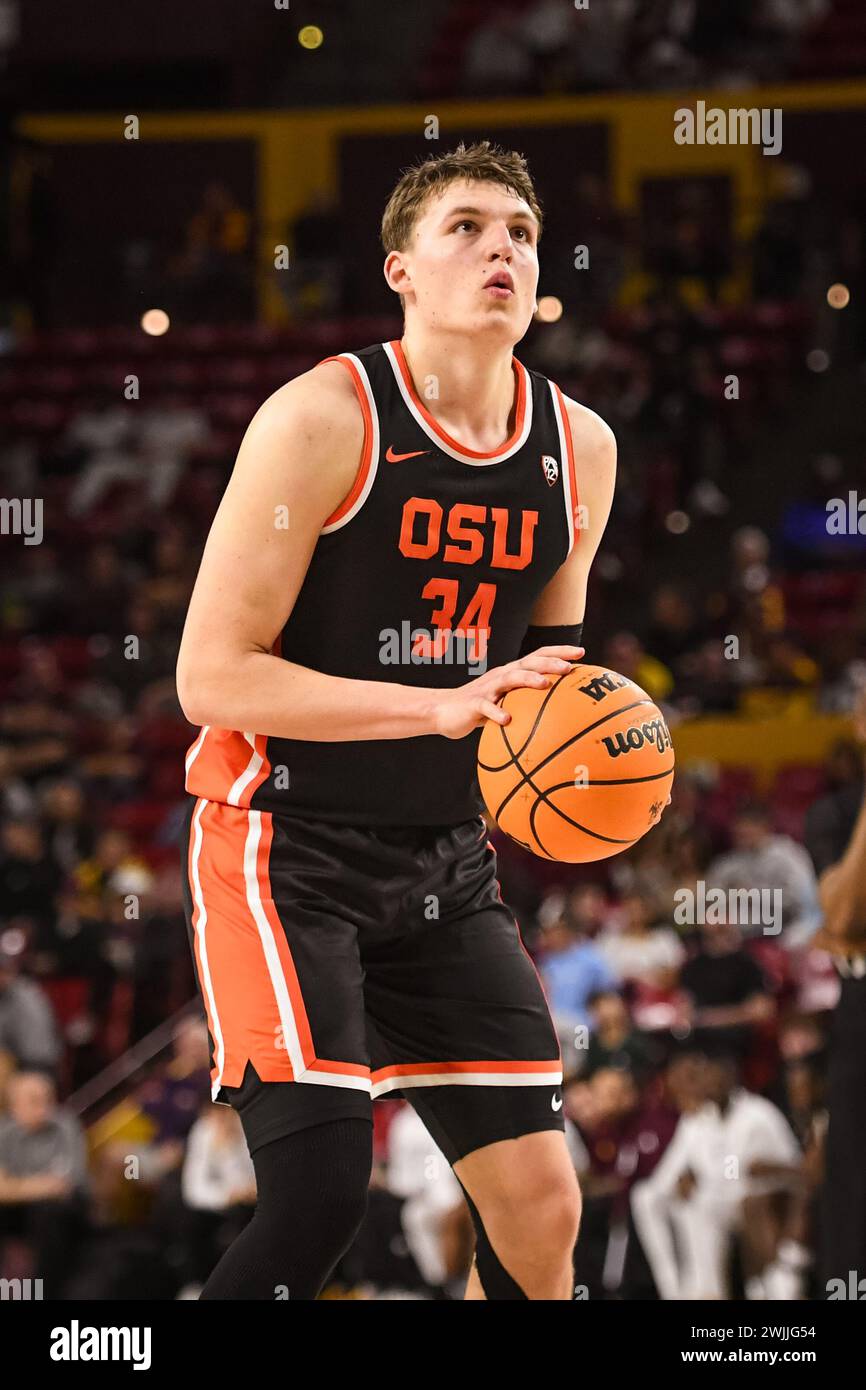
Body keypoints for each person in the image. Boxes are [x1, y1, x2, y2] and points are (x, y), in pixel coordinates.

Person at [176, 141, 621, 1301]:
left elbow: (543, 684)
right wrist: (437, 706)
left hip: (442, 861)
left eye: (519, 233)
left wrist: (594, 757)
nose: (500, 251)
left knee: (540, 1208)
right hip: (284, 848)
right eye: (466, 228)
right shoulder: (323, 416)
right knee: (323, 1196)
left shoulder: (578, 448)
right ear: (400, 271)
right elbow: (211, 677)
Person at [630, 1053, 803, 1300]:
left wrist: (765, 1171)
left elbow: (793, 1167)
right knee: (650, 1197)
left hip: (761, 1197)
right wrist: (682, 1178)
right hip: (717, 1198)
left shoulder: (759, 1113)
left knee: (703, 1204)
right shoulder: (699, 1119)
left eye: (715, 1077)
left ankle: (712, 1290)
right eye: (705, 1078)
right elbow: (666, 1177)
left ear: (731, 1078)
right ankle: (681, 1292)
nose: (710, 1084)